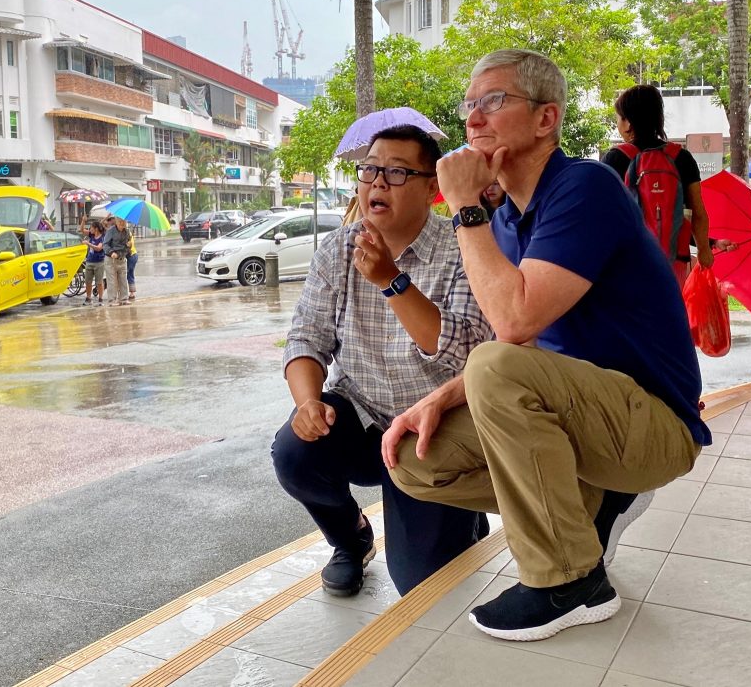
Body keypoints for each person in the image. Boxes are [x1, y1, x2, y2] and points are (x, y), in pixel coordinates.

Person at [382, 50, 709, 641]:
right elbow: (524, 344)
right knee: (415, 459)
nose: (473, 119)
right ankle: (584, 507)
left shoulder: (585, 186)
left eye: (494, 101)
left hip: (655, 427)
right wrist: (441, 398)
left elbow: (512, 326)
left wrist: (464, 207)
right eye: (469, 104)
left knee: (493, 363)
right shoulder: (506, 220)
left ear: (545, 118)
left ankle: (570, 581)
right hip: (586, 416)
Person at [272, 124, 493, 597]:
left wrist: (392, 281)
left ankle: (463, 515)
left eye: (396, 172)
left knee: (422, 584)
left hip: (434, 426)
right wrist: (308, 403)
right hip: (362, 414)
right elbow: (306, 337)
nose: (377, 183)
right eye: (370, 170)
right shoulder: (338, 248)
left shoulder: (462, 247)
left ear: (432, 188)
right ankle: (350, 539)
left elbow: (465, 350)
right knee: (295, 453)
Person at [601, 84, 713, 285]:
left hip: (627, 264)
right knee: (669, 304)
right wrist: (704, 251)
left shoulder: (615, 158)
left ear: (628, 123)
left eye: (618, 118)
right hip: (674, 261)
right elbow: (698, 212)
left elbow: (602, 215)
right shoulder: (681, 158)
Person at [102, 215, 131, 305]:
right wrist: (111, 252)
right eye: (120, 222)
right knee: (112, 281)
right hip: (111, 259)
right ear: (116, 222)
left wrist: (129, 246)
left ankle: (124, 299)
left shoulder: (127, 232)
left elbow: (127, 247)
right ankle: (112, 300)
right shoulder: (111, 231)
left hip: (122, 258)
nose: (122, 224)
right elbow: (105, 245)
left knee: (123, 280)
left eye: (124, 222)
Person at [81, 219, 107, 305]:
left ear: (96, 229)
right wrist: (83, 221)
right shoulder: (91, 235)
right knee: (88, 281)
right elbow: (82, 230)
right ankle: (88, 298)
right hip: (89, 261)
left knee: (99, 282)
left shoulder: (102, 238)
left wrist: (88, 243)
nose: (90, 229)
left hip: (99, 262)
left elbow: (98, 248)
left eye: (91, 227)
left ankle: (100, 299)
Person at [126, 228, 139, 301]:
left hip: (132, 256)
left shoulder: (128, 234)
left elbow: (129, 246)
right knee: (128, 274)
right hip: (131, 255)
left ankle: (132, 293)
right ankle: (130, 292)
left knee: (129, 274)